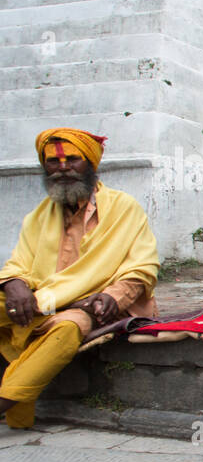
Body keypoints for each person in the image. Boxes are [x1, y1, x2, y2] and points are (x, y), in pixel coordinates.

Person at [1, 128, 158, 429]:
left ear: (90, 163)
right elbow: (18, 263)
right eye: (53, 163)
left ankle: (6, 400)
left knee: (69, 328)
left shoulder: (123, 207)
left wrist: (114, 296)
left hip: (91, 305)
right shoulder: (37, 216)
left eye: (72, 160)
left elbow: (143, 266)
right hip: (42, 299)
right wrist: (14, 285)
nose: (62, 169)